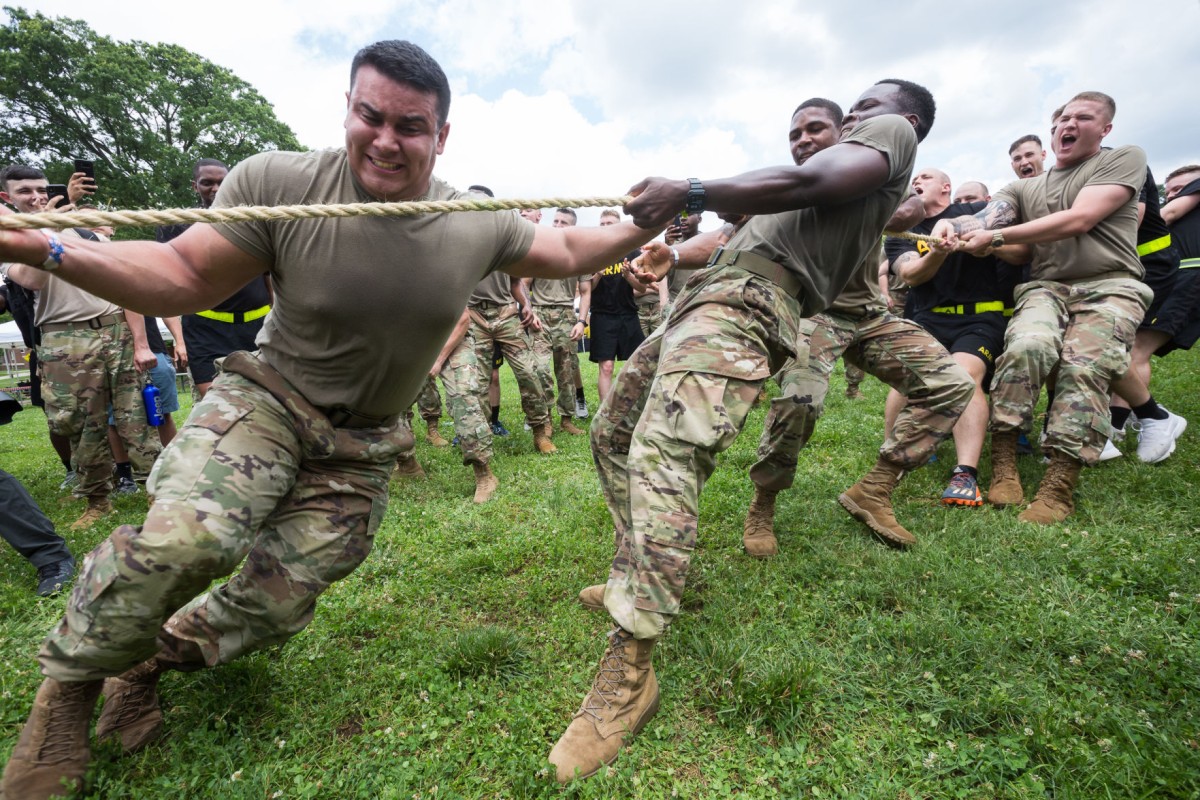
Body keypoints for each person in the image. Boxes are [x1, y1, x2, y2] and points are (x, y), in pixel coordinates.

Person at [0, 39, 660, 800]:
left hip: (364, 441)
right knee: (190, 538)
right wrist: (52, 249)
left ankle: (146, 661)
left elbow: (571, 246)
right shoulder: (280, 184)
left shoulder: (472, 219)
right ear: (347, 107)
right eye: (369, 116)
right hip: (269, 401)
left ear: (442, 135)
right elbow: (182, 272)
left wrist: (648, 220)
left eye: (410, 126)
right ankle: (68, 690)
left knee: (277, 602)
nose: (385, 140)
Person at [550, 79, 934, 783]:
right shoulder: (801, 194)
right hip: (705, 299)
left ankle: (631, 671)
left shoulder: (888, 140)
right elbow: (731, 234)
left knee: (666, 451)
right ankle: (637, 576)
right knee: (613, 435)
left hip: (753, 305)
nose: (856, 112)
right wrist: (675, 251)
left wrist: (691, 189)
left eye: (868, 106)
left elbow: (811, 179)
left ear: (904, 120)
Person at [738, 108, 971, 557]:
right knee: (800, 401)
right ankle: (763, 501)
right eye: (794, 134)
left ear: (846, 133)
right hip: (814, 313)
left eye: (815, 130)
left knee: (951, 383)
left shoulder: (875, 181)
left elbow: (909, 209)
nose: (803, 140)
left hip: (869, 314)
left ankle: (876, 488)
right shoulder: (788, 190)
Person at [933, 91, 1152, 525]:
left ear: (1105, 129)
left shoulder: (1123, 158)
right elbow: (990, 217)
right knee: (1025, 348)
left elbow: (1080, 218)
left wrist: (996, 238)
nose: (1068, 124)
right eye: (1063, 118)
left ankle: (1058, 485)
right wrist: (951, 224)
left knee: (1085, 365)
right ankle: (1005, 463)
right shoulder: (1023, 187)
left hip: (1110, 284)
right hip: (1046, 286)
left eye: (1083, 118)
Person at [0, 166, 162, 531]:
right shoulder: (11, 240)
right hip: (64, 339)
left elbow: (125, 288)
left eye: (42, 189)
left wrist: (141, 344)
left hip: (115, 330)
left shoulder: (88, 231)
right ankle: (97, 500)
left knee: (137, 417)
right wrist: (49, 230)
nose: (37, 197)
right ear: (7, 199)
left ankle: (158, 493)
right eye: (25, 191)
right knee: (80, 424)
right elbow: (32, 279)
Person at [882, 168, 1024, 507]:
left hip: (980, 317)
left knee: (964, 376)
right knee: (906, 378)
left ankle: (965, 474)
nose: (916, 181)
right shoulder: (902, 231)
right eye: (914, 179)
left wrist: (988, 246)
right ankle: (892, 457)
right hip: (927, 317)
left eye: (925, 177)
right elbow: (910, 274)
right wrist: (939, 251)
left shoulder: (972, 211)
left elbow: (1022, 252)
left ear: (946, 187)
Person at [157, 159, 272, 399]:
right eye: (207, 183)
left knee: (266, 399)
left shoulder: (255, 221)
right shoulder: (176, 225)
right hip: (205, 330)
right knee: (215, 401)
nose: (216, 188)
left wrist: (276, 317)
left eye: (222, 182)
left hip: (258, 327)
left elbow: (269, 277)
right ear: (195, 186)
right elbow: (166, 286)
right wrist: (179, 339)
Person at [578, 209, 646, 402]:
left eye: (610, 223)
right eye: (603, 224)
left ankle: (632, 407)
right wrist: (598, 274)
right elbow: (587, 290)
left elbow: (641, 288)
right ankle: (605, 413)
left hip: (628, 315)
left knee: (636, 366)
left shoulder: (633, 252)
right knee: (606, 367)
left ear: (619, 226)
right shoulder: (592, 254)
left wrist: (628, 276)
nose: (606, 227)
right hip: (602, 316)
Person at [530, 207, 589, 427]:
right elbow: (523, 284)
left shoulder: (580, 256)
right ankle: (545, 419)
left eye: (563, 222)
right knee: (540, 369)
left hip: (566, 315)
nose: (557, 225)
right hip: (540, 314)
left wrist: (581, 321)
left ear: (573, 227)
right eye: (555, 221)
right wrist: (528, 311)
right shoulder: (539, 250)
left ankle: (566, 418)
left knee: (567, 369)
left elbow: (585, 292)